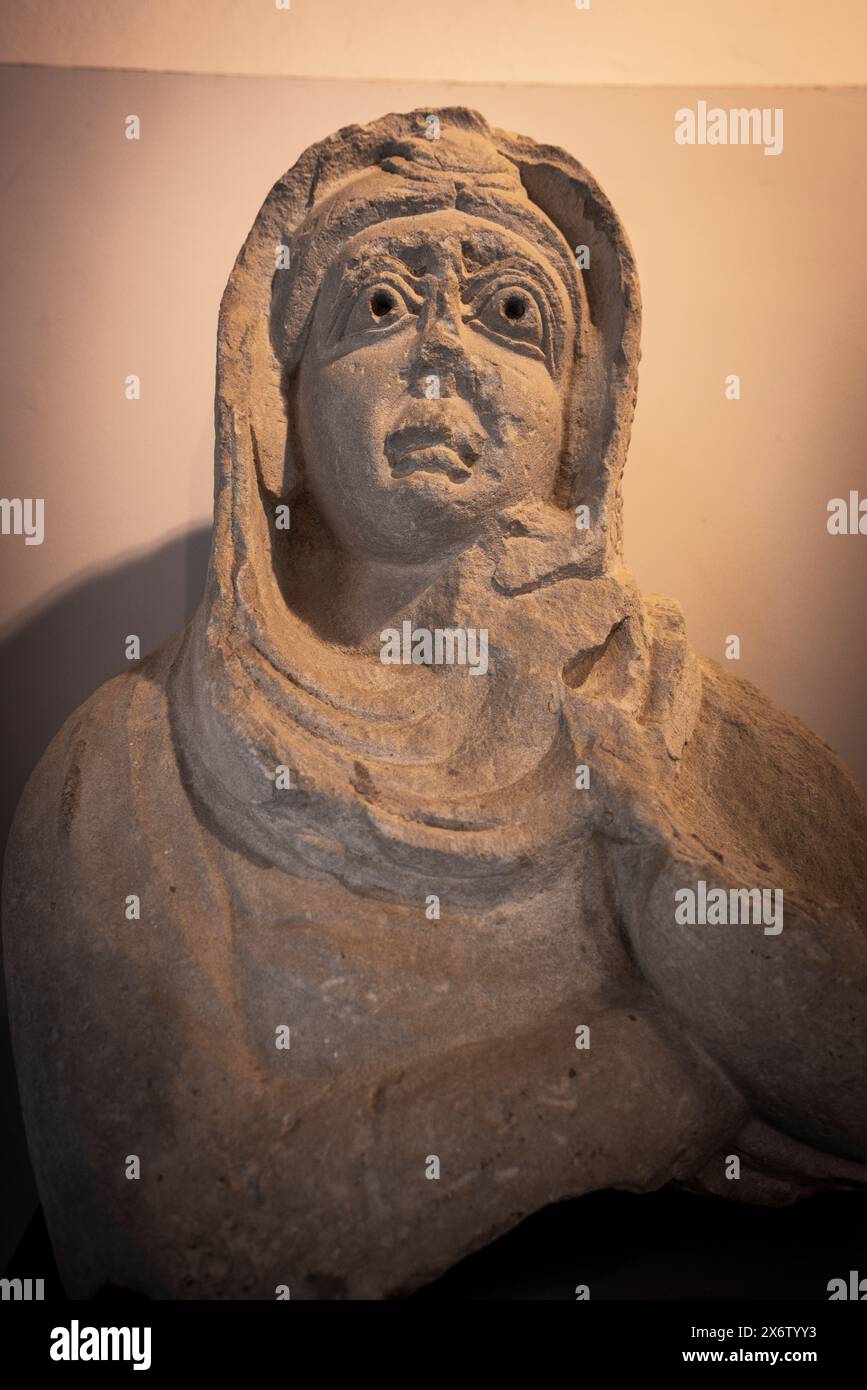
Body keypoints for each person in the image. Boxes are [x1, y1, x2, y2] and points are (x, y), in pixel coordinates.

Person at [4, 107, 866, 1300]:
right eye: (380, 305)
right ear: (277, 408)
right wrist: (661, 1075)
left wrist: (674, 880)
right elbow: (163, 1227)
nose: (445, 348)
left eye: (516, 312)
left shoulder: (675, 721)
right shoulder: (132, 764)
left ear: (581, 419)